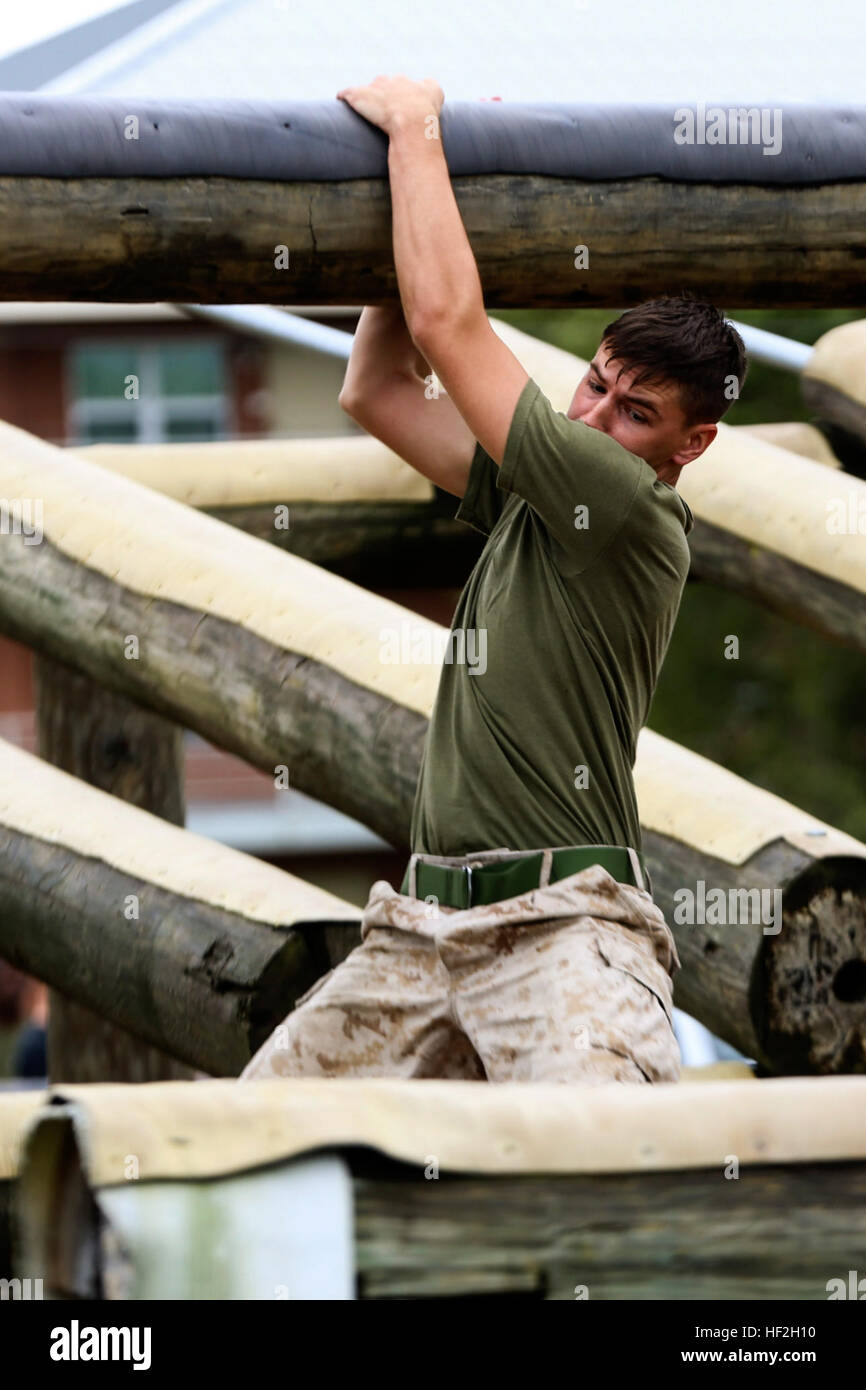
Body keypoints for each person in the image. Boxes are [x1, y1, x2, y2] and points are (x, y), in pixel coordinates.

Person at [240, 77, 747, 1086]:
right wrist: (418, 194)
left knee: (612, 1164)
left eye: (633, 411)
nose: (597, 417)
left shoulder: (626, 505)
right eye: (592, 384)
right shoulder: (537, 493)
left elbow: (445, 321)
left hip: (562, 923)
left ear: (690, 444)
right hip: (424, 925)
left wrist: (416, 129)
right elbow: (376, 388)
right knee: (259, 1143)